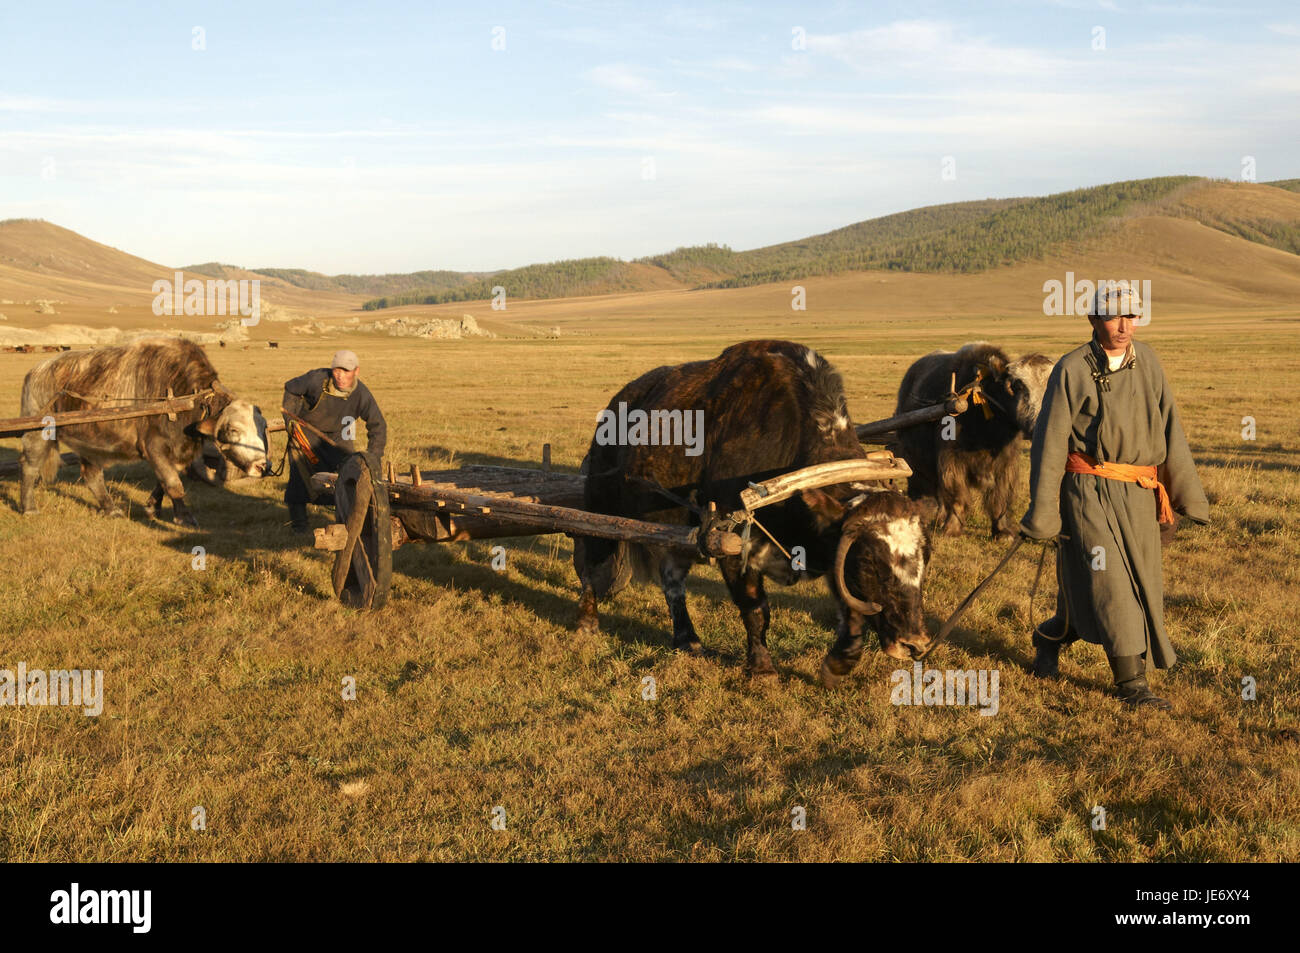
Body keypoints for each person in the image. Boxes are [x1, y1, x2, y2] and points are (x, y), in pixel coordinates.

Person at [1019, 281, 1209, 709]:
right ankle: (1132, 685)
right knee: (1112, 584)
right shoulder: (1071, 369)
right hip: (1089, 490)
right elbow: (1049, 444)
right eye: (1112, 317)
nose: (1123, 326)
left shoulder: (1150, 362)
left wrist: (1185, 496)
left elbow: (1170, 428)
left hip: (1140, 494)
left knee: (1122, 586)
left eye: (1130, 316)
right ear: (1093, 320)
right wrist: (1043, 513)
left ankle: (1050, 636)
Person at [282, 349, 387, 533]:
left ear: (356, 371)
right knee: (299, 476)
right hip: (307, 430)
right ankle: (299, 526)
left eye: (346, 371)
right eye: (336, 371)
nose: (340, 376)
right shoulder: (316, 379)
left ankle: (344, 521)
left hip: (342, 432)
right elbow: (291, 388)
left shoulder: (362, 394)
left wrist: (374, 459)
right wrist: (291, 423)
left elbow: (378, 426)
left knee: (345, 476)